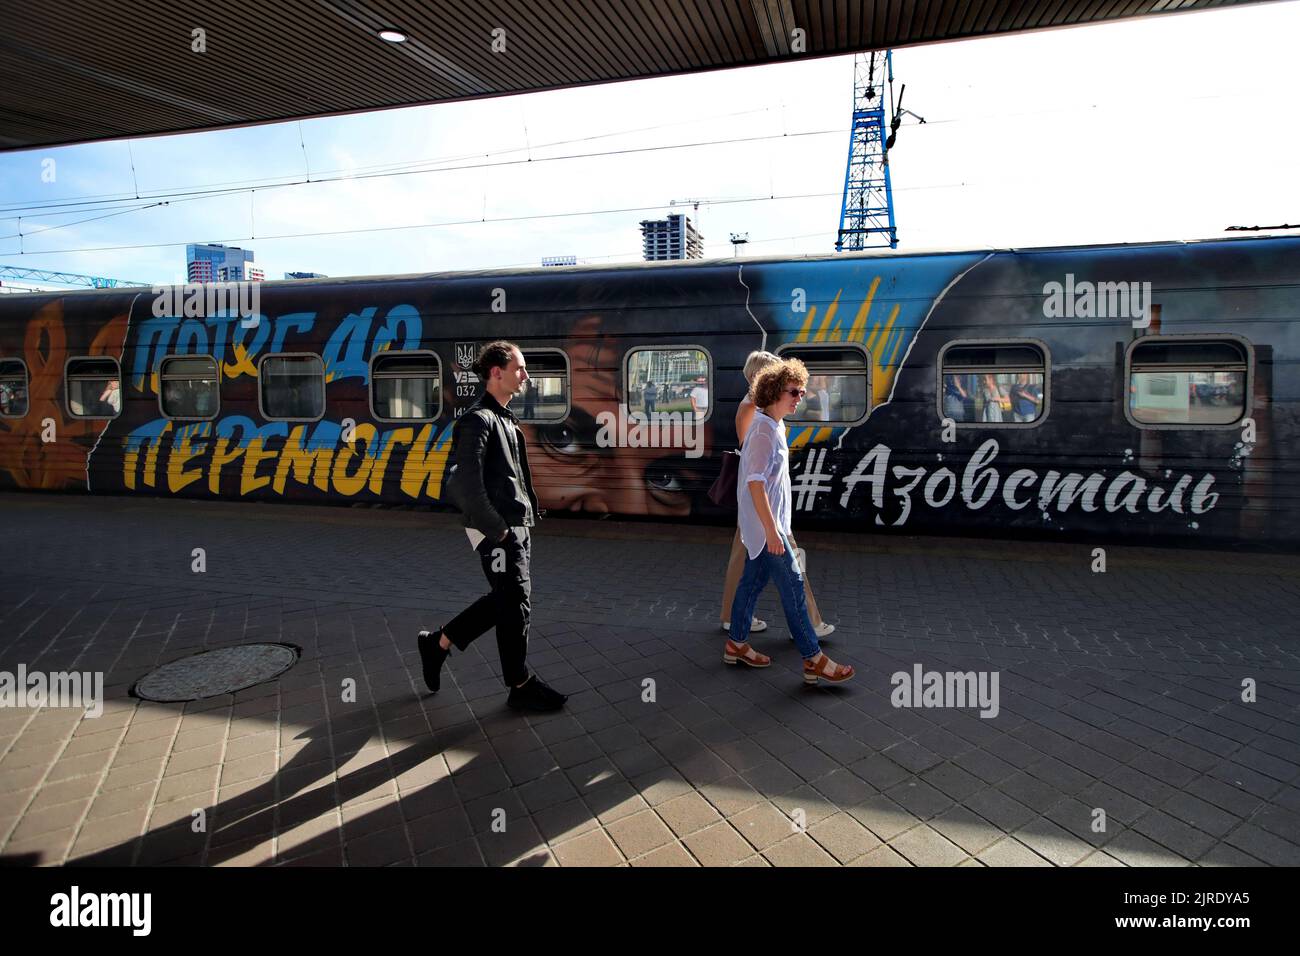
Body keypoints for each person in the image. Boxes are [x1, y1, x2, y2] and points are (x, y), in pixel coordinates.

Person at [418, 340, 568, 712]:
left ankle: (438, 642)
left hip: (514, 527)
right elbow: (466, 482)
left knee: (507, 599)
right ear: (496, 373)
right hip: (498, 531)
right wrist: (499, 530)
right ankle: (520, 685)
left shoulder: (503, 417)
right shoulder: (477, 420)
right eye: (520, 369)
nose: (526, 376)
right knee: (515, 604)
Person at [725, 357, 853, 685]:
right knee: (794, 587)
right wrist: (772, 531)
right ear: (772, 393)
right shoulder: (763, 431)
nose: (800, 397)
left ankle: (736, 644)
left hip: (771, 525)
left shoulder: (776, 425)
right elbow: (755, 483)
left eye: (802, 391)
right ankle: (813, 658)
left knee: (751, 584)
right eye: (793, 392)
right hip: (766, 527)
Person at [720, 350, 834, 639]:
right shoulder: (753, 410)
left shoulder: (762, 408)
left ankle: (733, 622)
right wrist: (769, 524)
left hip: (767, 502)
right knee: (789, 567)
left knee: (748, 566)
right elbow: (755, 461)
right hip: (763, 503)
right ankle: (810, 624)